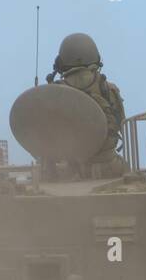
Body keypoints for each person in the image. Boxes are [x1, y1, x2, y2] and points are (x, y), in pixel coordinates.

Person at [50, 33, 126, 176]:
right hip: (108, 167)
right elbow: (121, 124)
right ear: (96, 59)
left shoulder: (54, 92)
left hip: (68, 172)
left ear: (60, 63)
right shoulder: (108, 89)